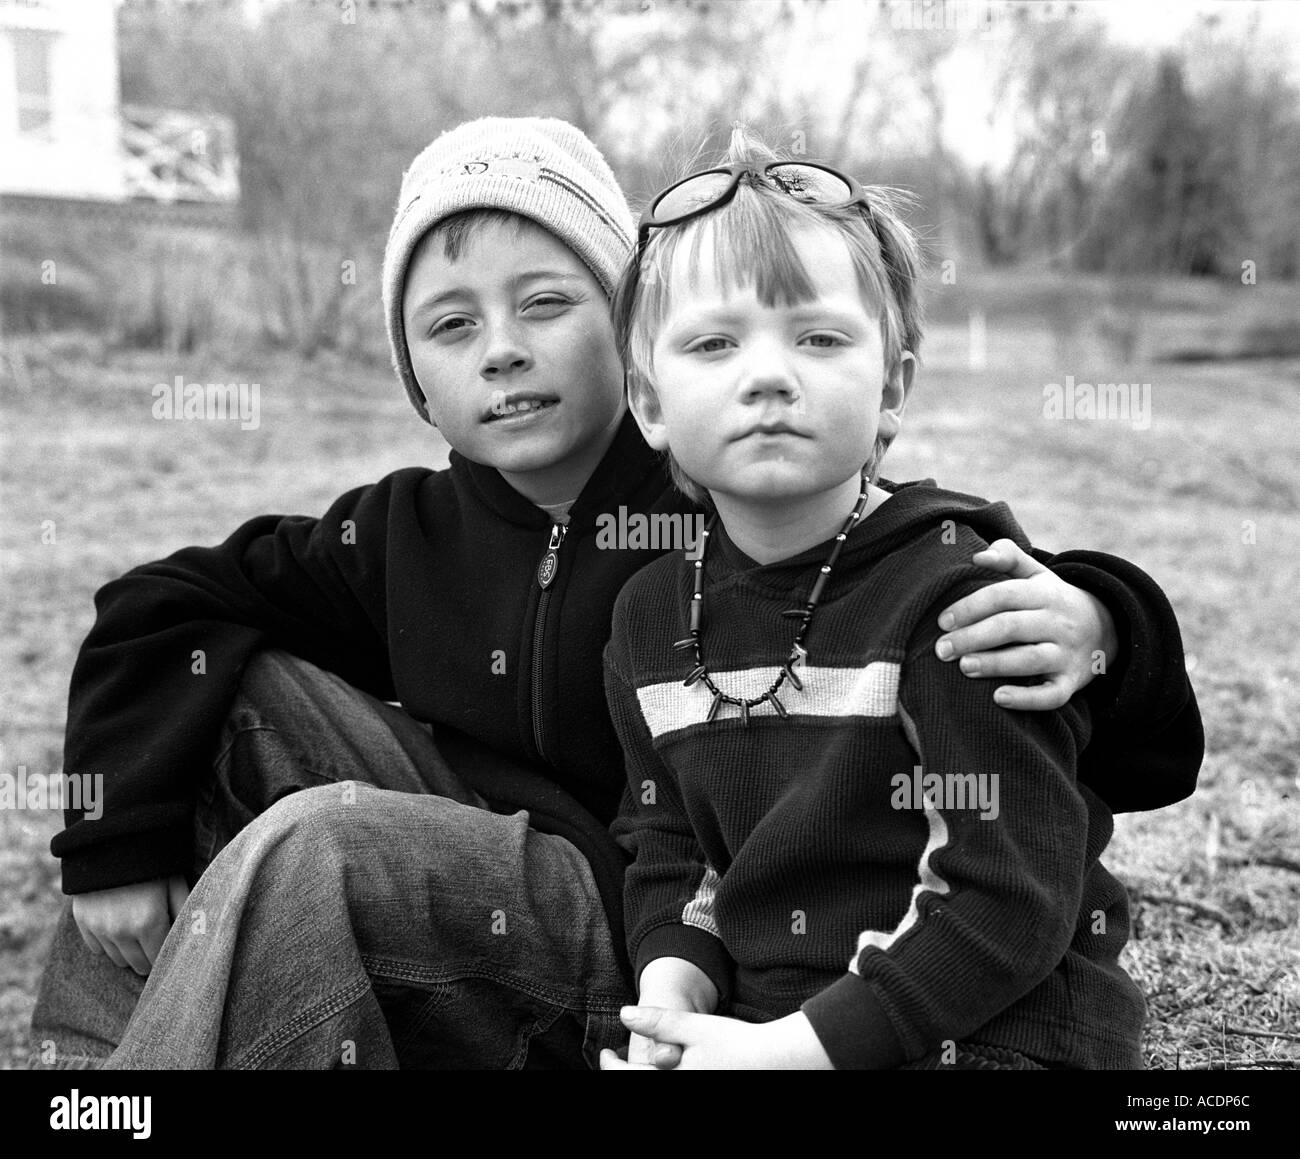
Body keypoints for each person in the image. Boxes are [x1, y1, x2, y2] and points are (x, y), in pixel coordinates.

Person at [31, 118, 1200, 1070]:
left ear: (628, 340)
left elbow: (947, 569)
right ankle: (99, 1082)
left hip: (632, 910)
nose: (501, 350)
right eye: (451, 325)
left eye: (546, 303)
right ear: (417, 385)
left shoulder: (723, 477)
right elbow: (167, 600)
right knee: (216, 709)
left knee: (321, 849)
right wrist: (111, 839)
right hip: (560, 867)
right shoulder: (398, 532)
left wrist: (1106, 622)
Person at [598, 127, 1170, 1071]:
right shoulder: (649, 619)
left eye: (820, 337)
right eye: (713, 343)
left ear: (892, 388)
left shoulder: (953, 588)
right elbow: (669, 845)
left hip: (999, 1028)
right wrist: (673, 999)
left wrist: (790, 1052)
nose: (769, 374)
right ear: (650, 403)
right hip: (775, 1023)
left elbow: (1008, 892)